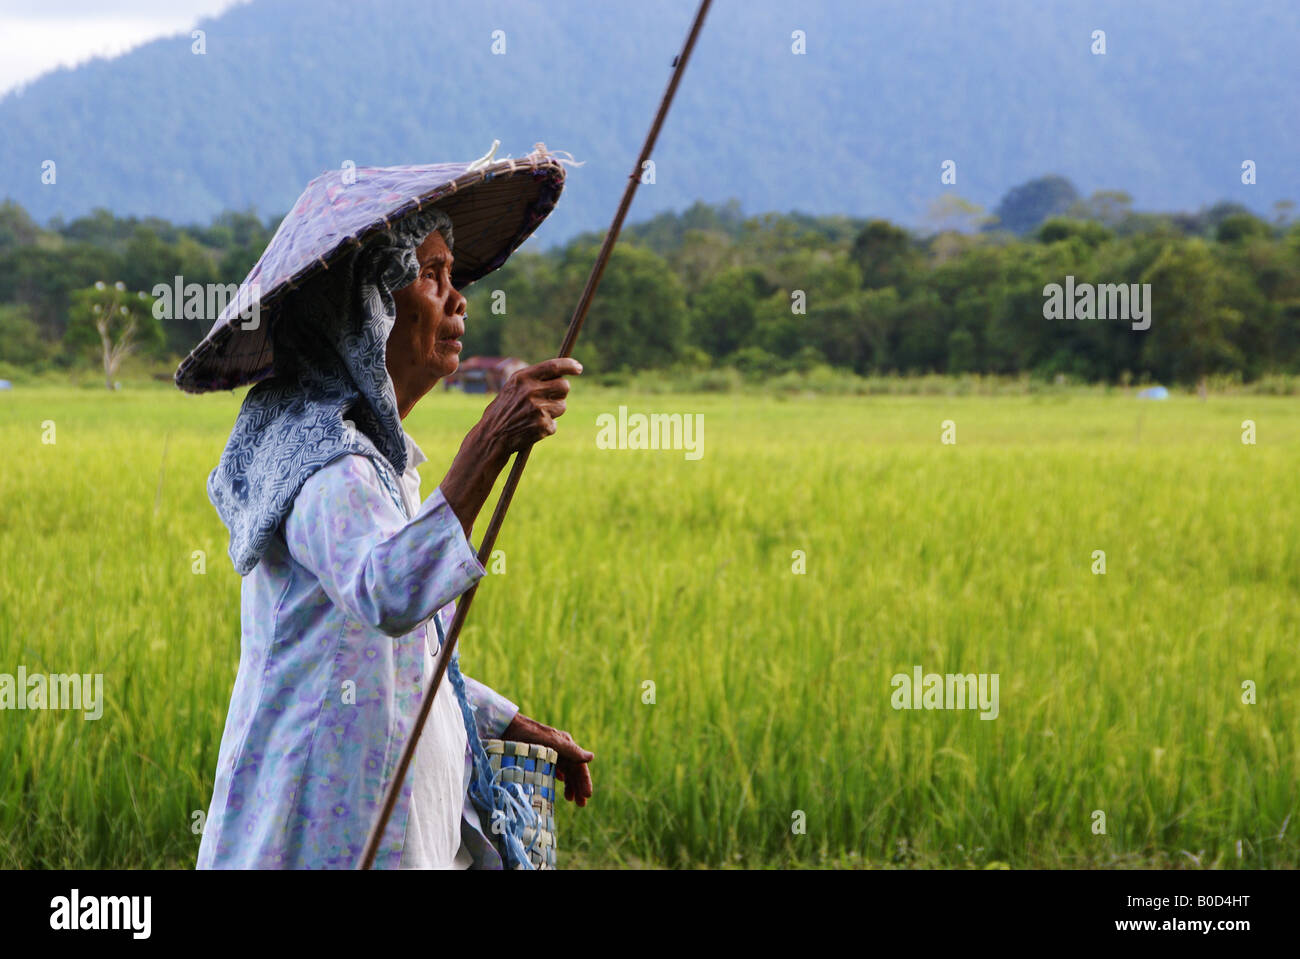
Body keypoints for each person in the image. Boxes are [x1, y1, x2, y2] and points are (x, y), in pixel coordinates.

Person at [195, 205, 593, 869]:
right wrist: (488, 442)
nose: (458, 298)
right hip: (330, 835)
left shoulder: (380, 466)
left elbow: (394, 656)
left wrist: (500, 720)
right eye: (432, 275)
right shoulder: (326, 463)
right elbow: (390, 591)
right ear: (366, 309)